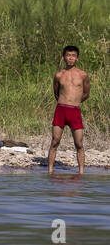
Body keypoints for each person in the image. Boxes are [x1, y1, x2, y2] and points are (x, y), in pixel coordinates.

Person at [48, 45, 91, 175]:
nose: (70, 58)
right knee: (55, 141)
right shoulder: (59, 75)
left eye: (73, 56)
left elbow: (86, 93)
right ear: (64, 57)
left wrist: (75, 102)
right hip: (60, 110)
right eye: (68, 55)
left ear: (77, 58)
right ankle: (49, 171)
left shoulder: (83, 75)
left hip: (75, 111)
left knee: (79, 143)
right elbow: (56, 93)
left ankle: (81, 172)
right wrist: (64, 103)